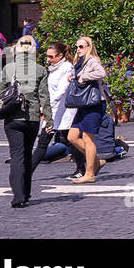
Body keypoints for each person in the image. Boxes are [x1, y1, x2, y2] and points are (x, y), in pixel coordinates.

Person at [0, 37, 50, 208]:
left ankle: (18, 195)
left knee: (16, 155)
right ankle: (27, 192)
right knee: (27, 155)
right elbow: (45, 97)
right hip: (31, 118)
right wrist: (49, 119)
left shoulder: (9, 68)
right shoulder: (40, 70)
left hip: (12, 118)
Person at [67, 35, 109, 183]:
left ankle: (90, 173)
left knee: (87, 138)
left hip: (94, 104)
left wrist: (84, 76)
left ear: (89, 47)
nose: (78, 49)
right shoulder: (79, 62)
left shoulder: (92, 60)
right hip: (84, 104)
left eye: (81, 47)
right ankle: (96, 161)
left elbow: (101, 73)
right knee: (72, 136)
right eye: (77, 47)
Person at [32, 42, 76, 171]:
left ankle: (85, 167)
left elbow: (61, 91)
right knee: (43, 143)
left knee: (71, 142)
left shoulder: (67, 68)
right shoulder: (54, 68)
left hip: (63, 111)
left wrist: (46, 107)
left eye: (51, 57)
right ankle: (27, 173)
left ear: (60, 55)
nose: (48, 59)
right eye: (47, 56)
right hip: (53, 111)